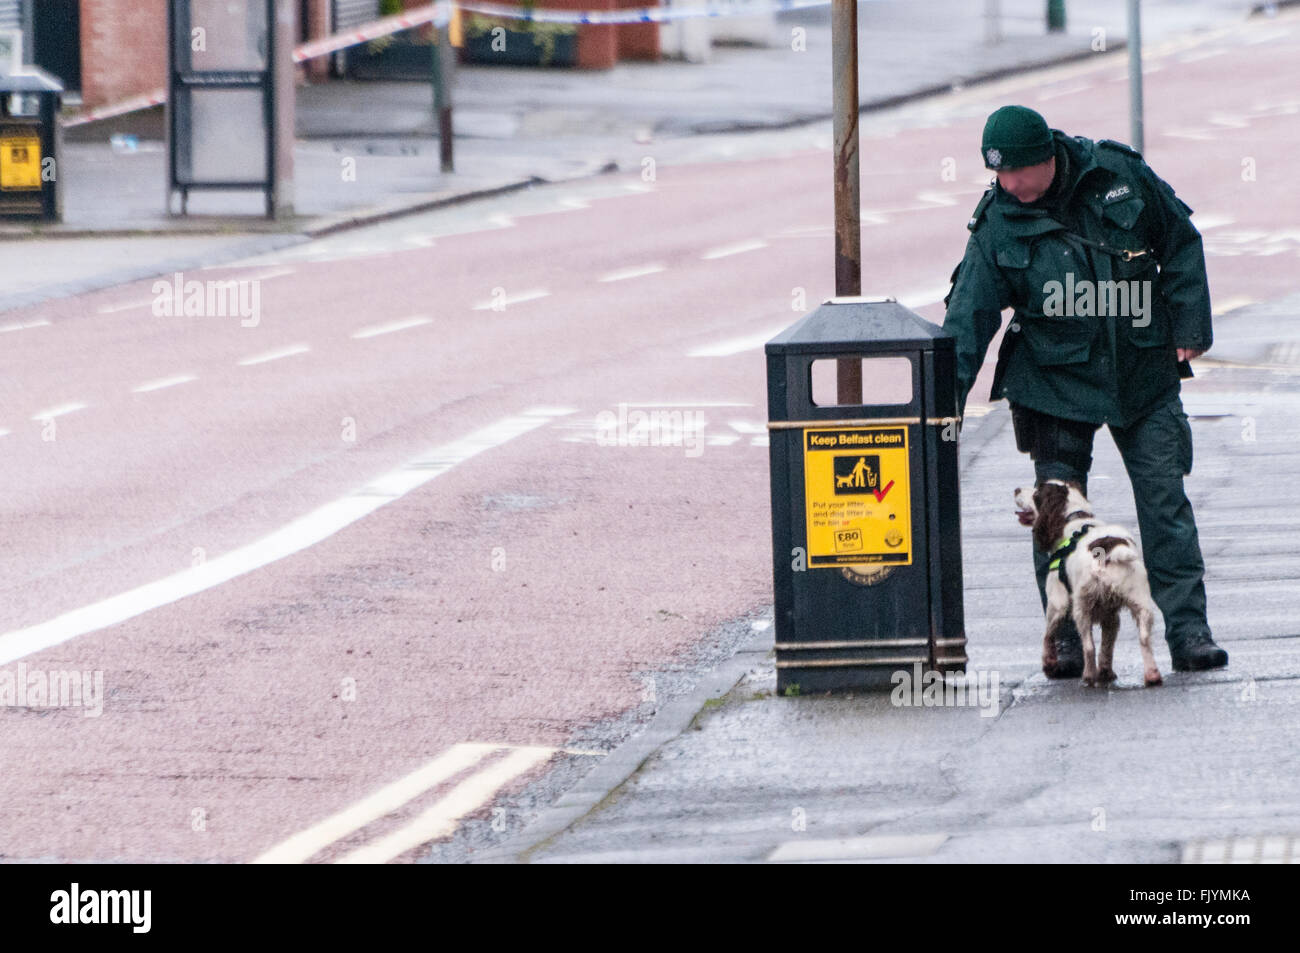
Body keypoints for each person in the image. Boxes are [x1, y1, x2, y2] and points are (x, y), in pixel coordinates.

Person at [942, 104, 1228, 677]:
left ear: (1046, 157)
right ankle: (1068, 636)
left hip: (1141, 372)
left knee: (1164, 504)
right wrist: (940, 404)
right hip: (1053, 382)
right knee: (1056, 515)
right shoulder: (998, 219)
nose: (1007, 184)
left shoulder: (1118, 177)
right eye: (997, 174)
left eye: (1016, 173)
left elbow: (1179, 243)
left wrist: (1190, 327)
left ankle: (1190, 632)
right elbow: (969, 316)